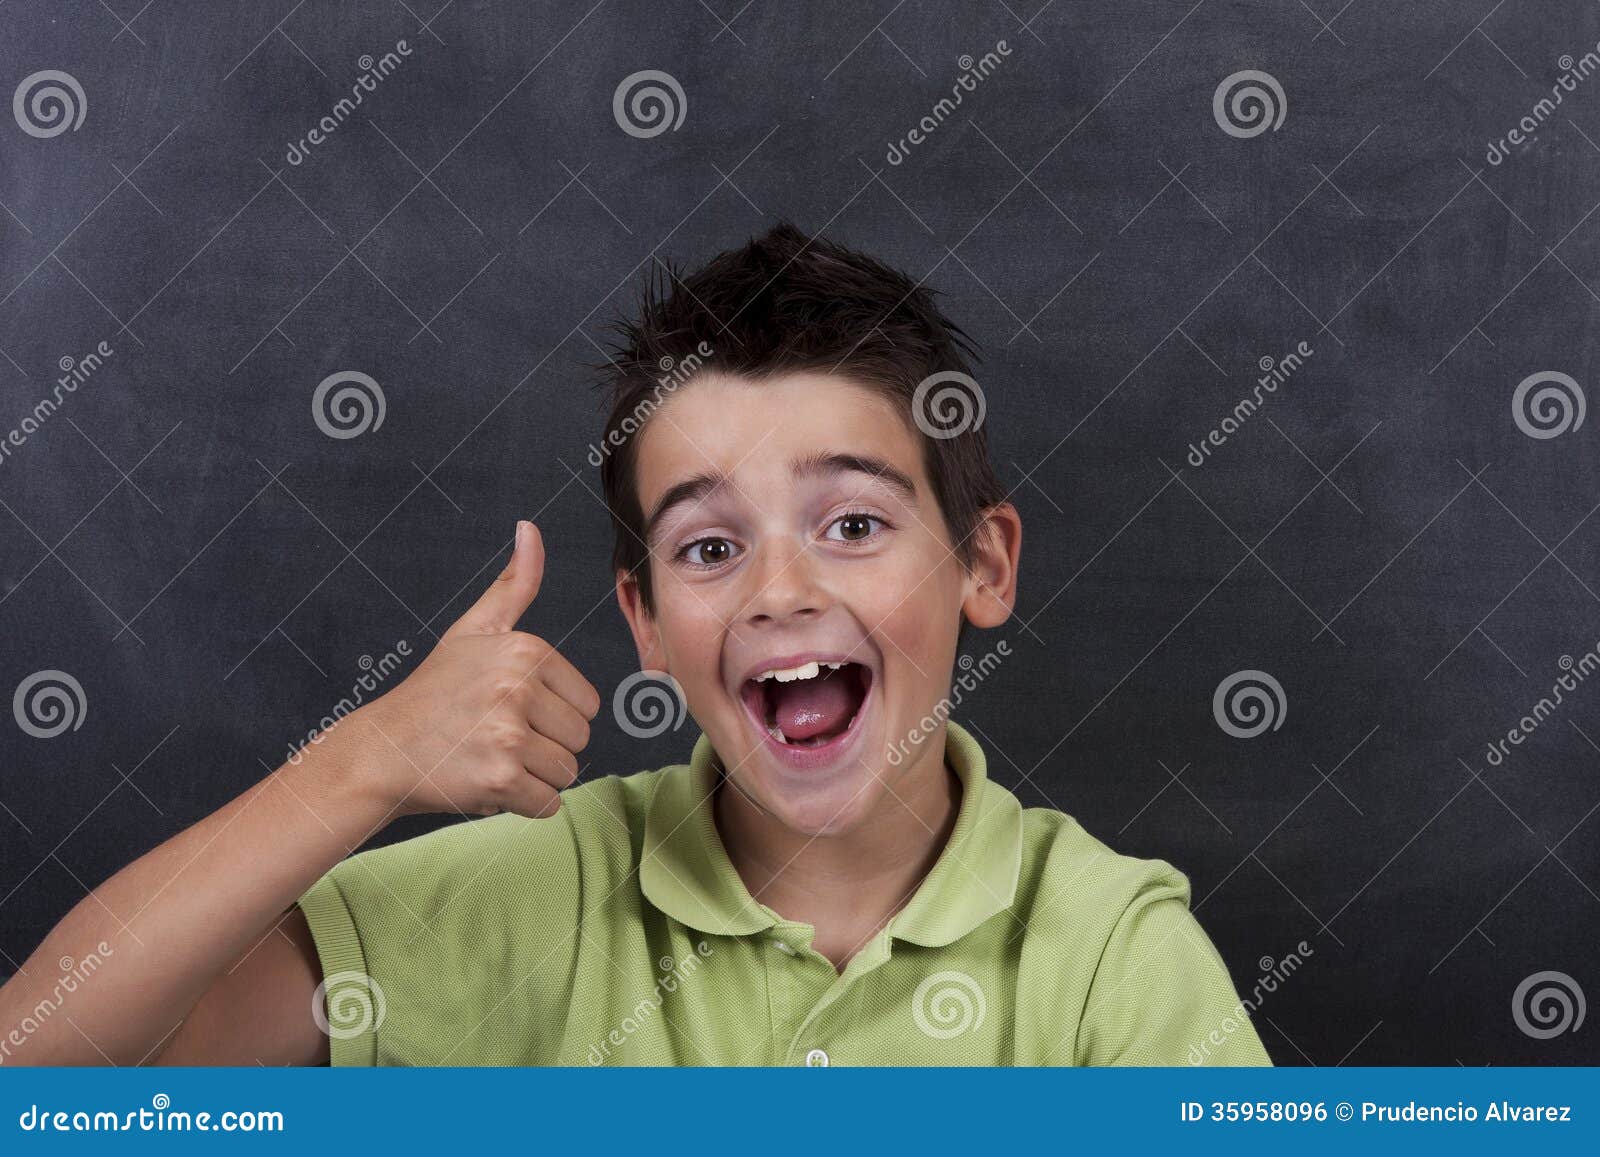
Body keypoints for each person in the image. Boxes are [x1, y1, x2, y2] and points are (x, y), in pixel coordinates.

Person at [0, 222, 1270, 1066]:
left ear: (982, 564)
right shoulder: (533, 892)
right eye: (710, 547)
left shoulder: (1111, 951)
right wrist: (367, 759)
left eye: (852, 520)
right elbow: (38, 1069)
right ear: (645, 623)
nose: (779, 587)